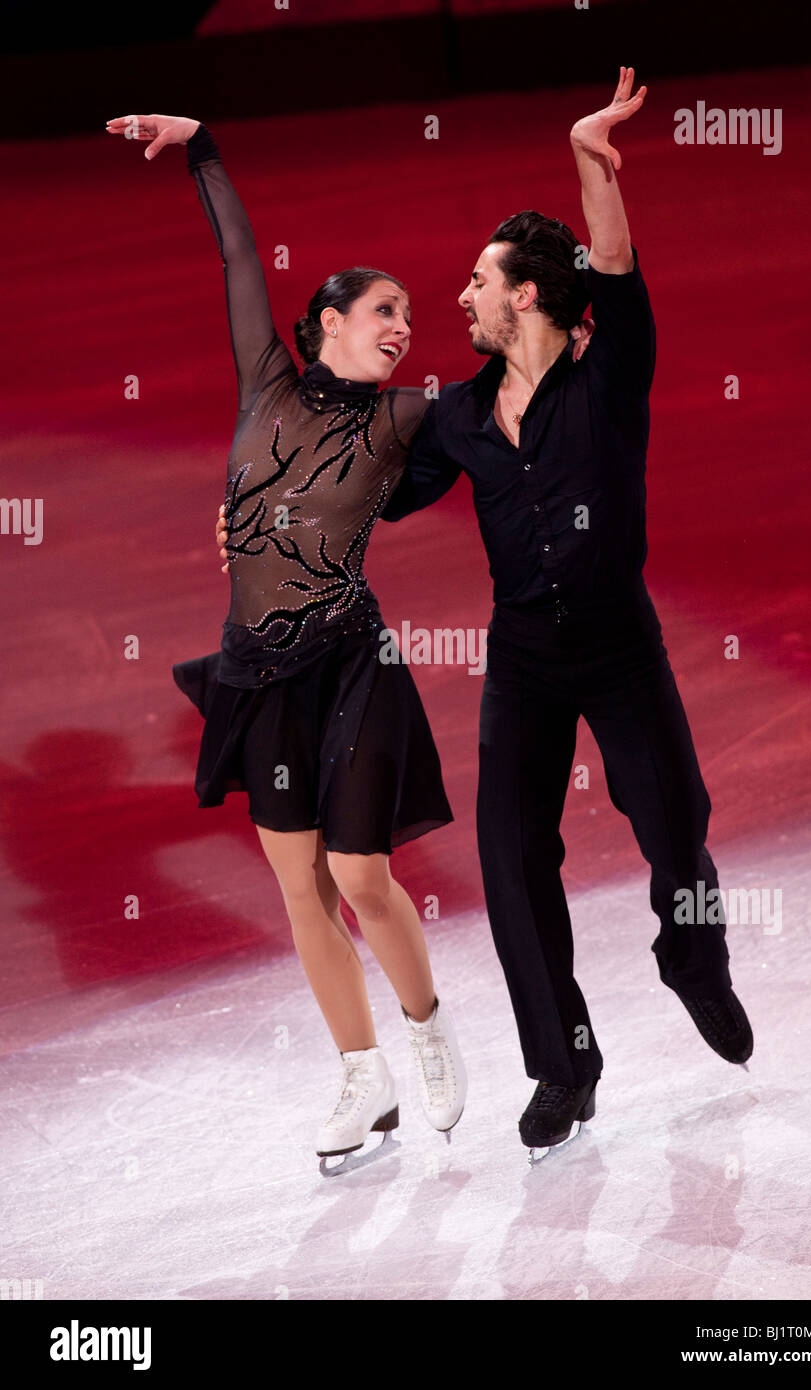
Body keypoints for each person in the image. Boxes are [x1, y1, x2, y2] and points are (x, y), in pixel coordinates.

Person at [222, 68, 754, 1155]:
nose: (453, 300)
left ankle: (691, 960)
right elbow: (360, 487)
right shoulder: (457, 418)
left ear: (523, 294)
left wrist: (585, 157)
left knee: (677, 833)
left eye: (474, 282)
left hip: (618, 648)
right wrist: (268, 522)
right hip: (522, 660)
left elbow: (612, 263)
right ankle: (563, 1066)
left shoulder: (610, 374)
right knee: (512, 863)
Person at [106, 111, 467, 1167]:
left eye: (407, 313)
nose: (402, 323)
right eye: (382, 308)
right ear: (326, 320)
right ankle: (362, 1080)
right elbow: (232, 251)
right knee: (298, 884)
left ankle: (427, 1026)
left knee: (360, 874)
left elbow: (487, 415)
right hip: (257, 669)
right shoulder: (262, 376)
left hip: (350, 658)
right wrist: (201, 143)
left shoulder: (399, 418)